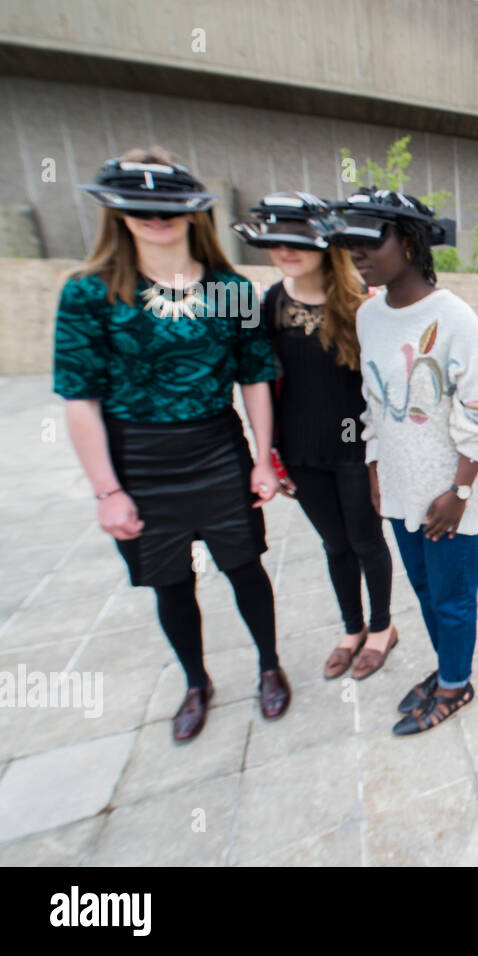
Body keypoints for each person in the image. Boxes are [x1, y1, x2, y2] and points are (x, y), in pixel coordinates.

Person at [54, 148, 290, 742]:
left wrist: (264, 458)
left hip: (216, 447)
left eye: (169, 207)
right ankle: (195, 682)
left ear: (192, 212)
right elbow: (79, 399)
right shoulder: (89, 292)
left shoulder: (231, 289)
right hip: (137, 459)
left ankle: (269, 666)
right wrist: (107, 491)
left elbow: (255, 376)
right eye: (140, 207)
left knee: (245, 568)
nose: (155, 218)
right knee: (170, 582)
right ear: (117, 212)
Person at [314, 188, 478, 736]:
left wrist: (460, 492)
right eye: (349, 242)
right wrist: (376, 470)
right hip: (402, 489)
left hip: (449, 494)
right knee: (424, 588)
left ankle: (456, 685)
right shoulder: (369, 316)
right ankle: (447, 669)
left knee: (452, 596)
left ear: (407, 241)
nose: (357, 252)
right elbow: (374, 402)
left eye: (369, 239)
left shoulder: (455, 317)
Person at [233, 192, 396, 680]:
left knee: (366, 540)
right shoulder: (266, 304)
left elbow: (385, 387)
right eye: (277, 240)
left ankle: (382, 628)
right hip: (301, 452)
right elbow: (257, 383)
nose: (287, 250)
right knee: (334, 544)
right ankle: (352, 628)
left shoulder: (364, 302)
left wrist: (386, 455)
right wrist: (268, 456)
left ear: (326, 243)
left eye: (300, 239)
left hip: (356, 447)